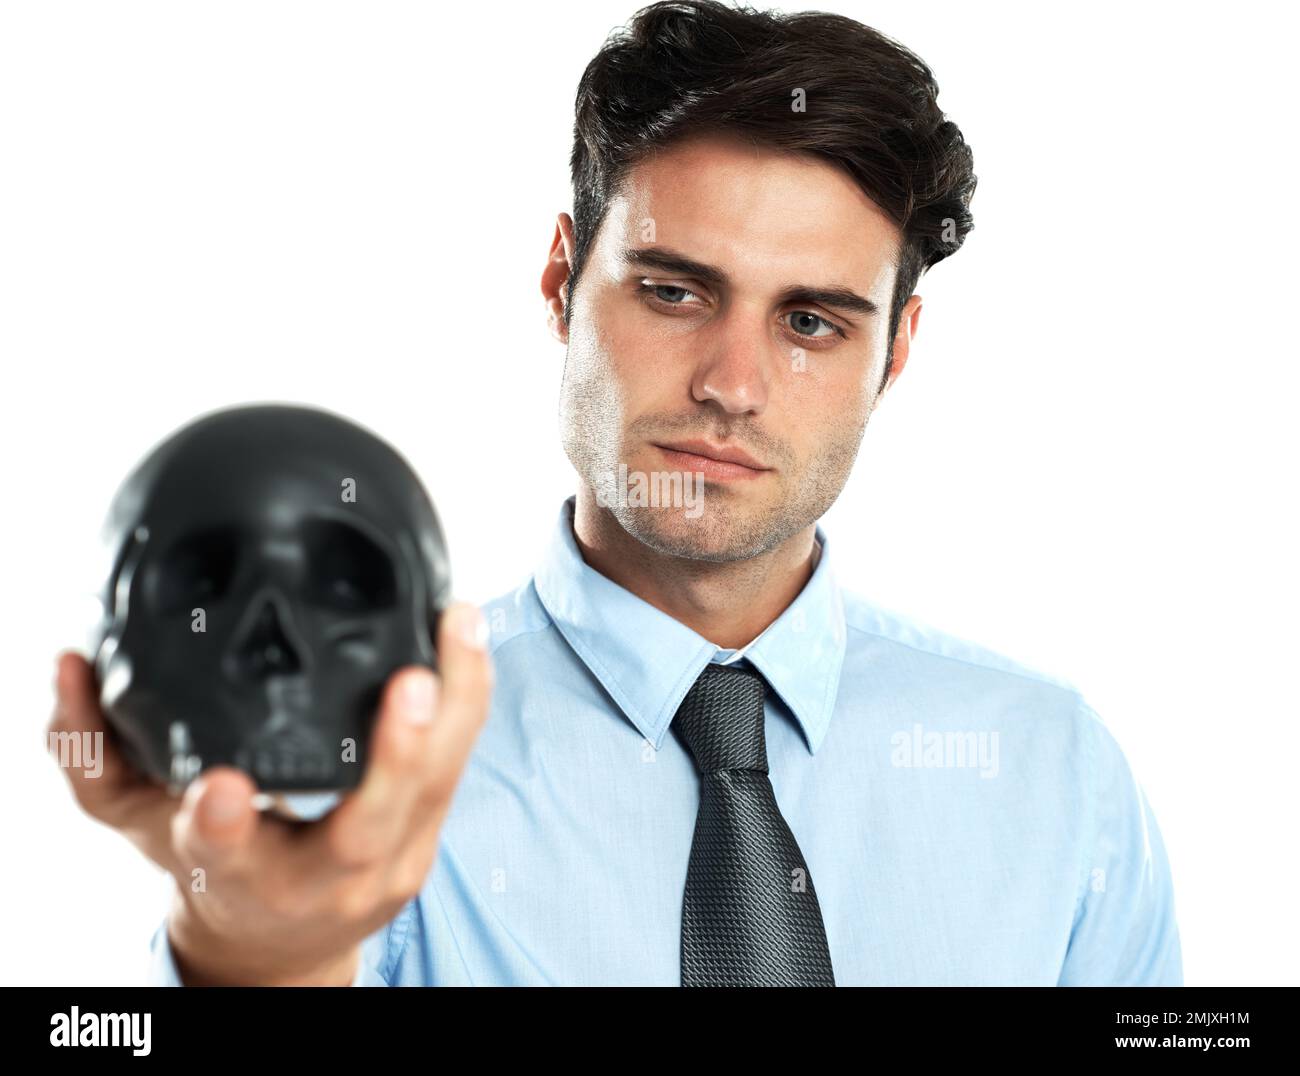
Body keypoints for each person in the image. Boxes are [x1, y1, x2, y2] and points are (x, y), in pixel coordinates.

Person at [48, 0, 1181, 986]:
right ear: (561, 280)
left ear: (895, 350)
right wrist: (256, 952)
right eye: (676, 291)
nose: (732, 386)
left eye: (810, 322)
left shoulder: (1054, 768)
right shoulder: (355, 750)